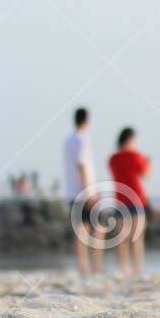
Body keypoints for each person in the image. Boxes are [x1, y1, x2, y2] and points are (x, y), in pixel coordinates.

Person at [62, 107, 101, 275]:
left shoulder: (68, 140)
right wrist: (89, 191)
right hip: (83, 191)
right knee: (97, 227)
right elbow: (82, 164)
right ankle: (95, 265)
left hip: (72, 191)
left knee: (80, 229)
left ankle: (82, 265)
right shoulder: (83, 140)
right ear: (87, 120)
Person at [107, 127, 151, 276]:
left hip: (120, 198)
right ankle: (137, 268)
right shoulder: (137, 156)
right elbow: (146, 174)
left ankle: (123, 267)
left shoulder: (113, 158)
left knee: (122, 238)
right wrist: (148, 163)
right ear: (131, 139)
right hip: (136, 198)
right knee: (137, 237)